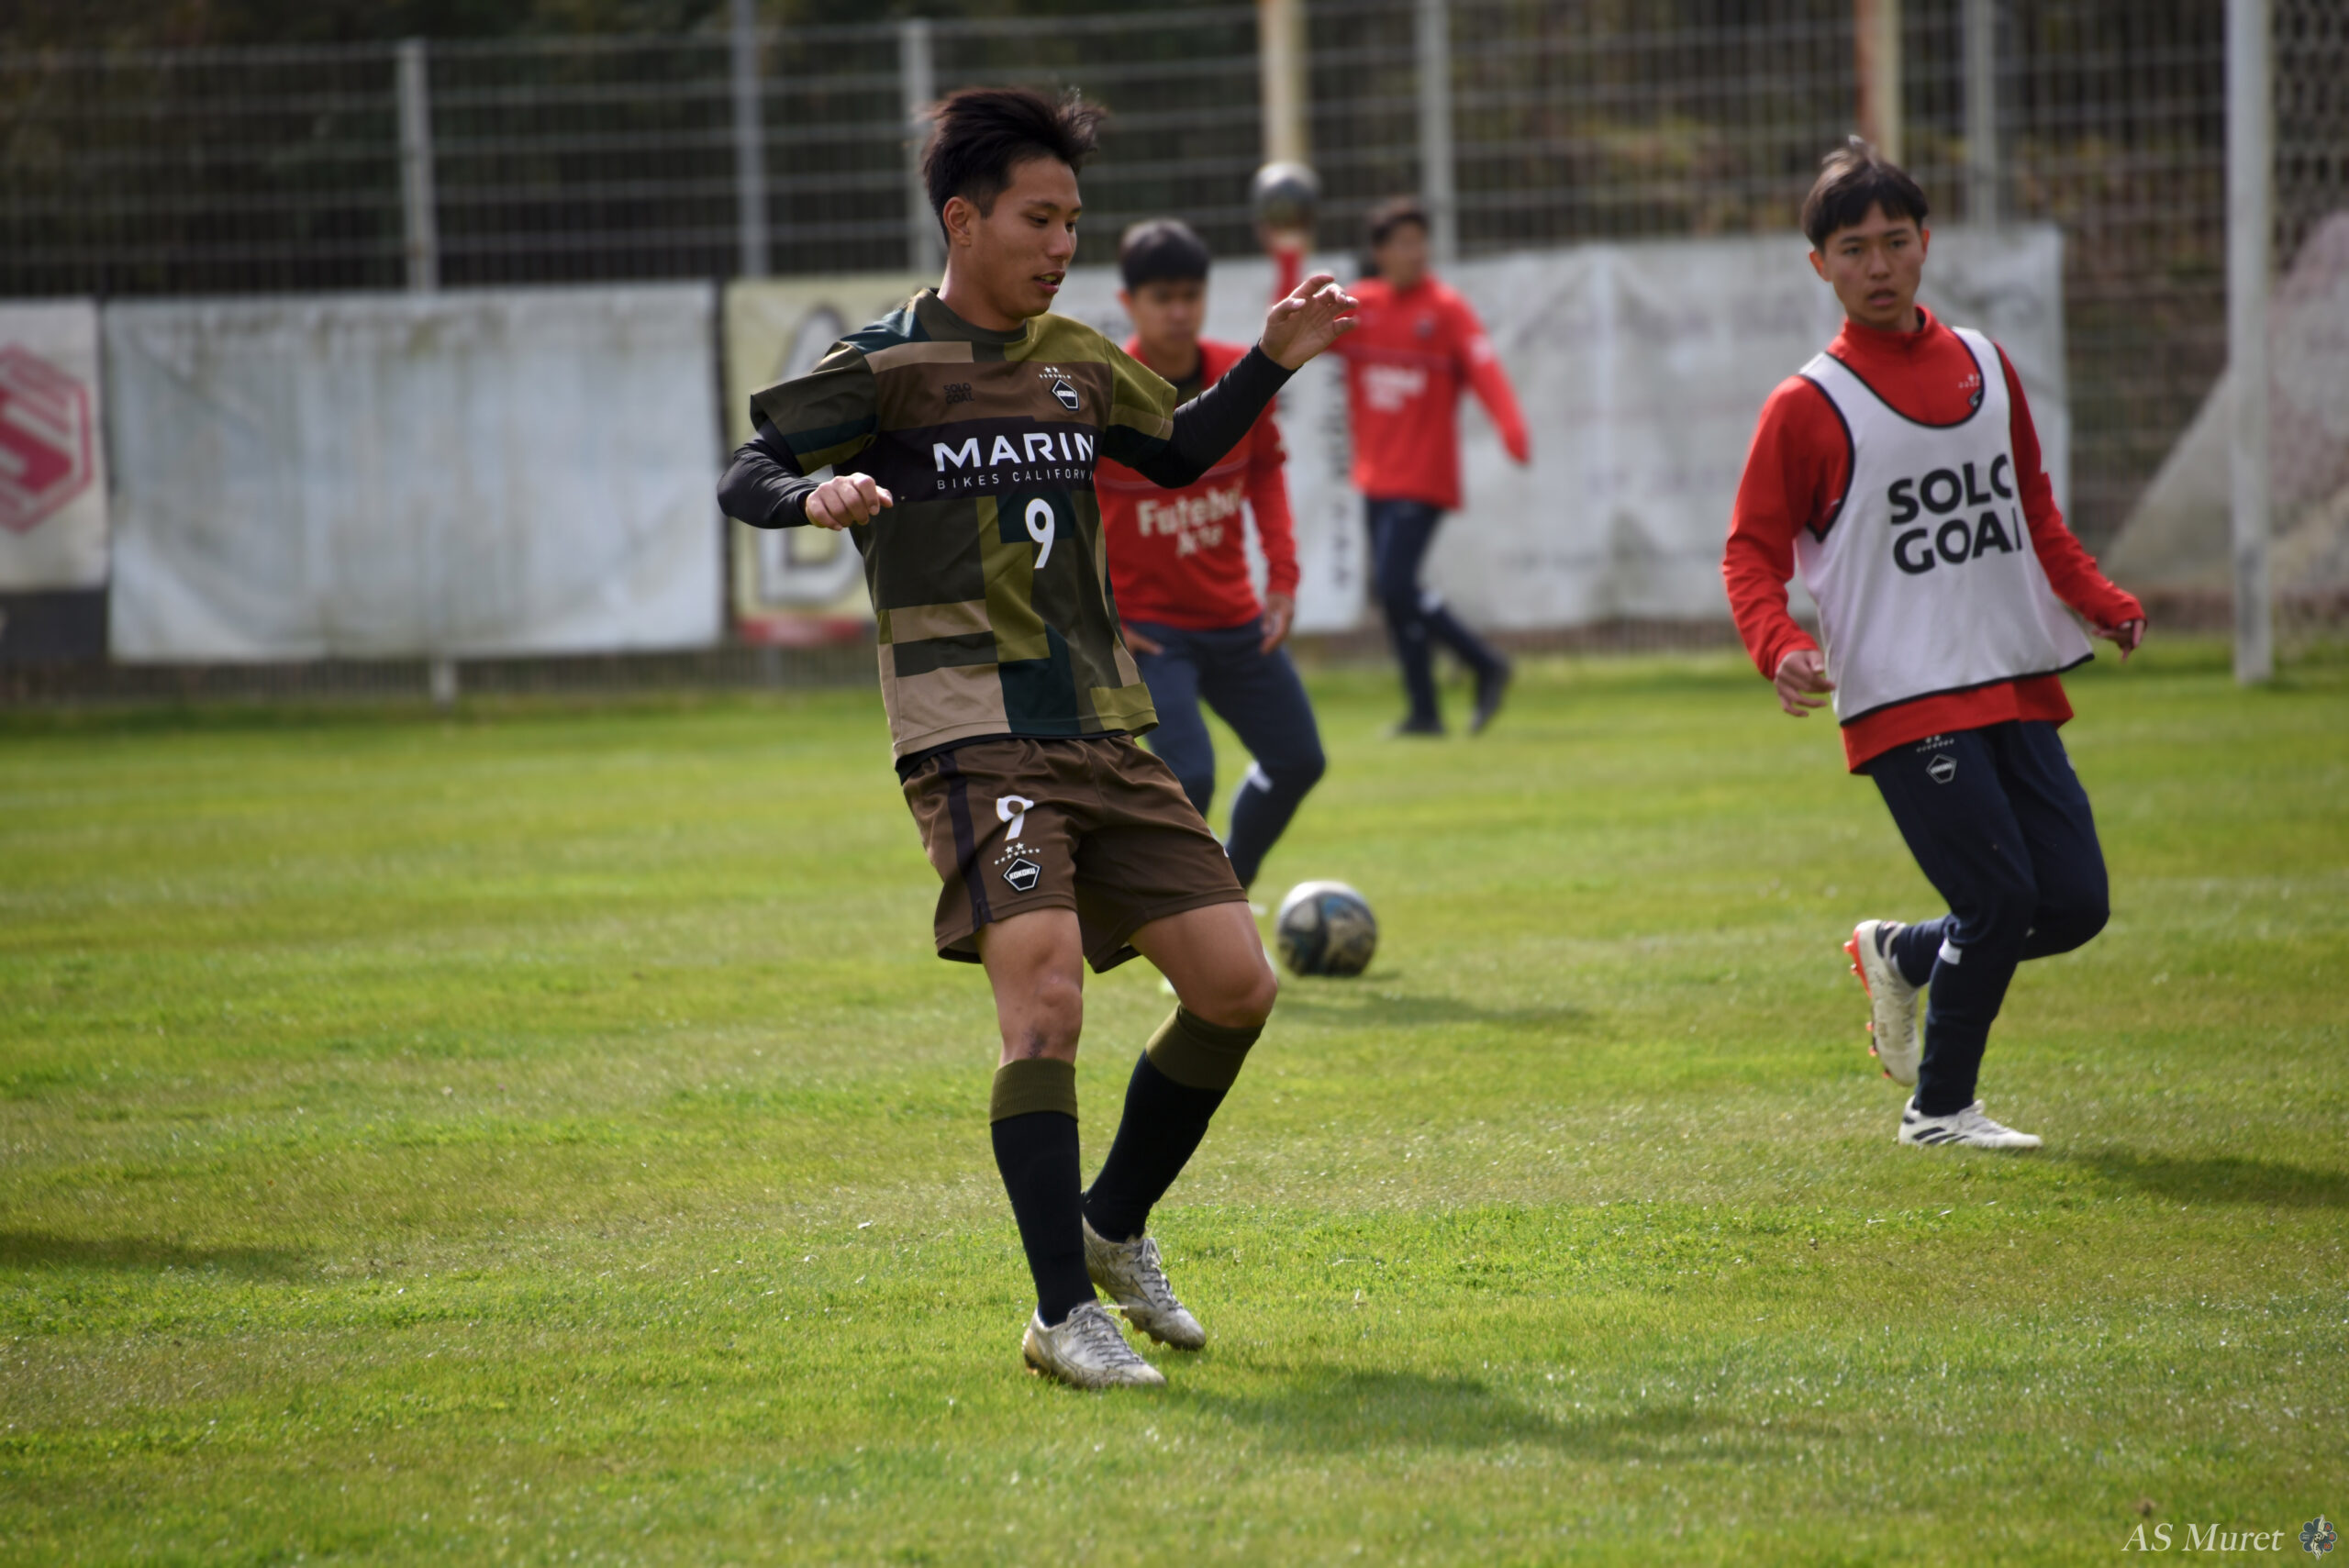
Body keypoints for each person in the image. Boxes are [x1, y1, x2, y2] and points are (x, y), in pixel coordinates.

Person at [717, 87, 1357, 1387]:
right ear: (963, 219)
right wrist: (811, 496)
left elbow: (1176, 451)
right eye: (1038, 218)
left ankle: (1111, 1225)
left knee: (1235, 986)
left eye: (1073, 220)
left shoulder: (1076, 357)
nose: (1063, 244)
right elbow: (747, 468)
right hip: (969, 726)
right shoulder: (888, 363)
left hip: (1100, 719)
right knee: (1048, 1001)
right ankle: (1063, 1314)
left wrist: (1273, 358)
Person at [1721, 139, 2147, 1151]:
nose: (1878, 265)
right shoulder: (1806, 405)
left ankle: (1905, 953)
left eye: (1894, 241)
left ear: (1926, 242)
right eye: (1853, 249)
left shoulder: (1987, 364)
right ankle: (1939, 1109)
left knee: (2073, 902)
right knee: (1997, 896)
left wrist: (2096, 596)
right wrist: (1776, 643)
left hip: (2010, 677)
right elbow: (1750, 549)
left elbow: (2031, 507)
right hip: (1903, 693)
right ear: (1819, 265)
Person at [1096, 218, 1324, 890]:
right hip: (1151, 632)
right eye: (1161, 297)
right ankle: (1169, 919)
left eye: (1190, 295)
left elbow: (1266, 470)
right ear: (1128, 301)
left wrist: (1282, 578)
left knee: (1298, 760)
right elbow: (1068, 512)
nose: (1178, 312)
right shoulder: (1108, 390)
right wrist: (1105, 616)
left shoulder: (1238, 374)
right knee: (1189, 776)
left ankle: (1230, 887)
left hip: (1234, 617)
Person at [1333, 196, 1531, 736]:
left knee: (1397, 587)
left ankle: (1485, 663)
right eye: (1403, 243)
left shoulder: (1446, 308)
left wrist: (1511, 427)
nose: (1416, 252)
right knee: (1394, 596)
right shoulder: (1361, 305)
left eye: (1421, 242)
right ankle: (1424, 713)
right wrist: (1287, 257)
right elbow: (1292, 329)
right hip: (1375, 476)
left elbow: (1485, 368)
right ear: (1379, 252)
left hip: (1423, 477)